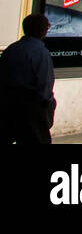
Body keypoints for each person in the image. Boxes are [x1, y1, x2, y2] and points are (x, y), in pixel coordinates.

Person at [0, 14, 56, 144]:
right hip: (31, 110)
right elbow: (45, 88)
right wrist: (48, 107)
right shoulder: (41, 52)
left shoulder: (11, 49)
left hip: (8, 106)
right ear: (42, 30)